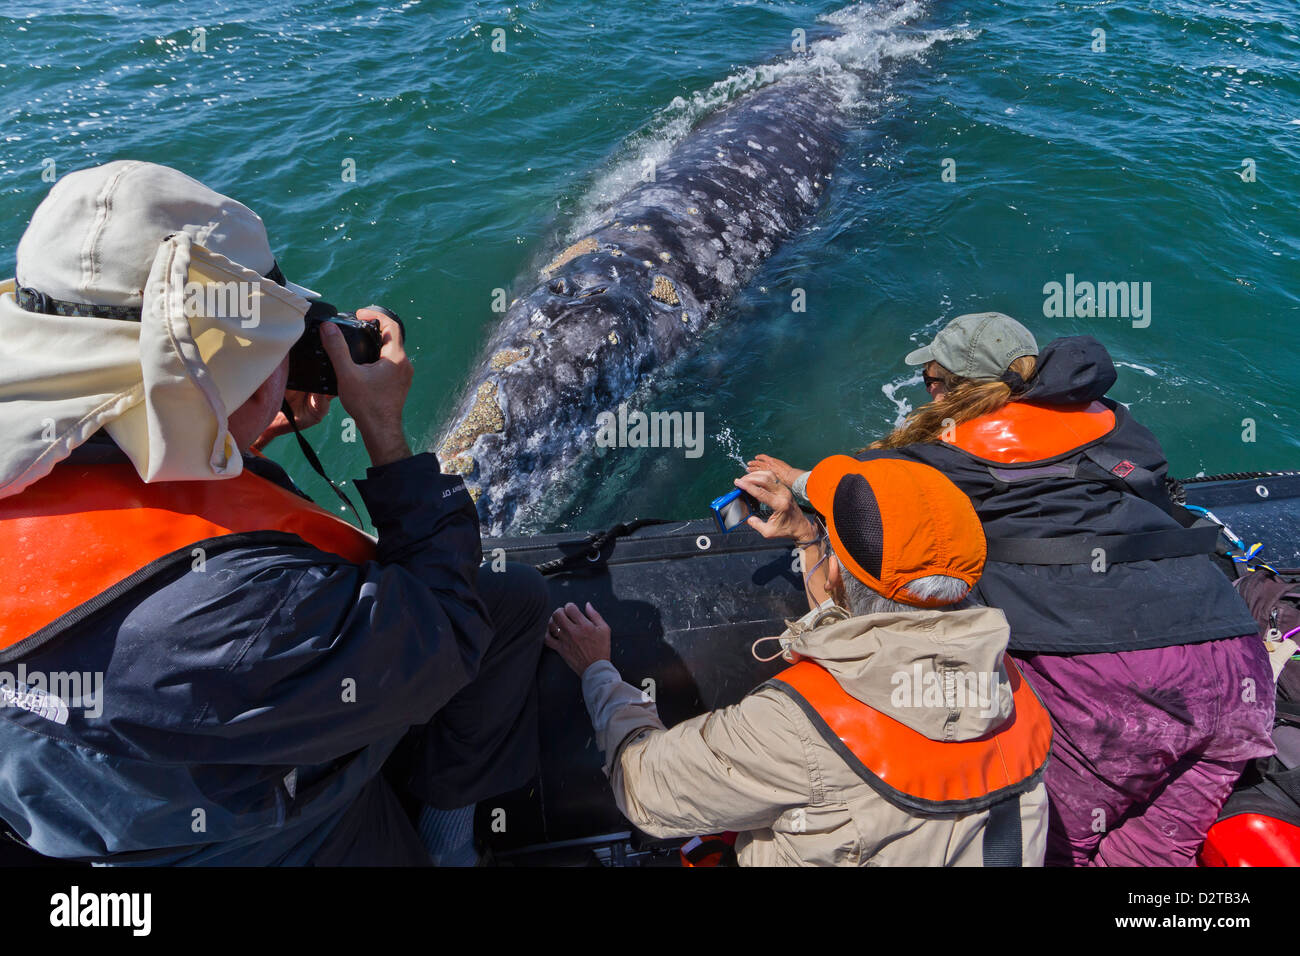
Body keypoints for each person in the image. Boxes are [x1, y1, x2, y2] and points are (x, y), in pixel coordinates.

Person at [0, 160, 548, 866]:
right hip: (242, 837)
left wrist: (233, 429)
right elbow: (441, 639)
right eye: (268, 356)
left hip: (62, 809)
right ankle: (447, 849)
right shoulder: (251, 607)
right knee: (501, 608)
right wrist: (386, 435)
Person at [752, 311, 1276, 866]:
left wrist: (796, 484)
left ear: (944, 388)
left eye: (929, 379)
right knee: (1154, 856)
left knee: (1052, 849)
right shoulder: (1112, 423)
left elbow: (862, 494)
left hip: (1114, 685)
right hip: (1237, 660)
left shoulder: (933, 459)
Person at [547, 455, 1052, 866]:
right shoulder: (1013, 690)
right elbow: (882, 630)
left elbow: (645, 790)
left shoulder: (799, 724)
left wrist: (598, 672)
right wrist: (809, 538)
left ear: (835, 574)